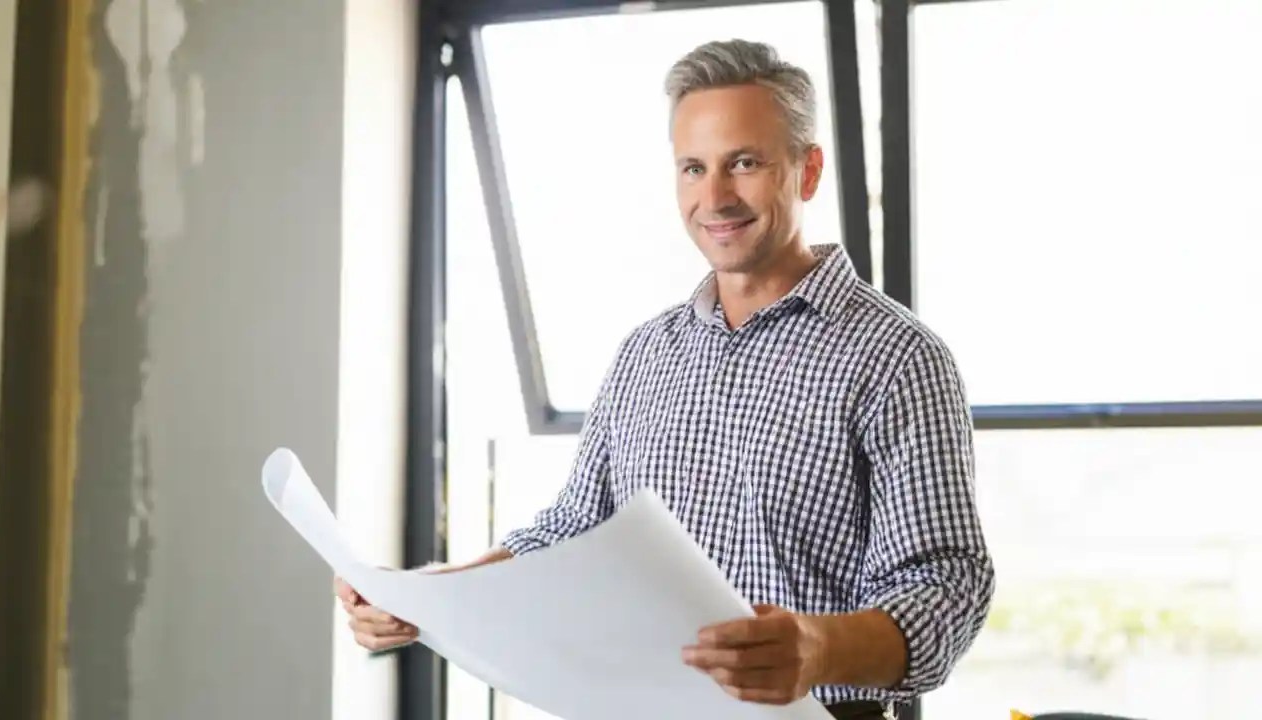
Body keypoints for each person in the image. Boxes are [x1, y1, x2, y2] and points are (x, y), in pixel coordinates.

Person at [337, 39, 994, 720]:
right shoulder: (646, 355)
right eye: (693, 168)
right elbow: (574, 528)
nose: (715, 198)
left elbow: (947, 587)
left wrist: (819, 649)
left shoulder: (897, 358)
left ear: (808, 171)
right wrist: (425, 595)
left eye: (744, 163)